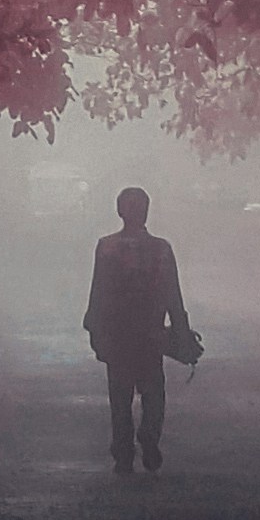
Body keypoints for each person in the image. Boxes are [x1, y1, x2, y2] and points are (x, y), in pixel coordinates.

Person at [83, 186, 198, 473]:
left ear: (119, 211)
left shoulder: (107, 247)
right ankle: (149, 438)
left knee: (120, 397)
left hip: (118, 337)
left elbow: (98, 293)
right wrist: (181, 330)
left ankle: (123, 452)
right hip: (151, 336)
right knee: (153, 394)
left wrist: (95, 329)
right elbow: (173, 293)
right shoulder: (161, 249)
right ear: (146, 211)